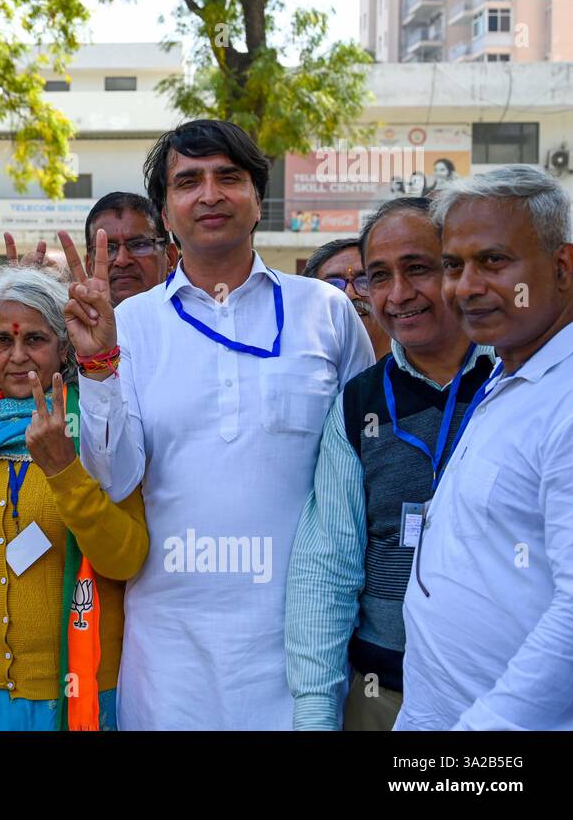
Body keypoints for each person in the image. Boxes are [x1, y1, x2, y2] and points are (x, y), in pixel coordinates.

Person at [65, 118, 373, 730]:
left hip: (302, 649)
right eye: (188, 182)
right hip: (170, 656)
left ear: (258, 198)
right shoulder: (132, 325)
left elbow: (363, 467)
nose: (209, 194)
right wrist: (97, 363)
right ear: (166, 213)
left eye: (228, 177)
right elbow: (116, 478)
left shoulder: (326, 312)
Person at [0, 266, 149, 731]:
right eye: (1, 341)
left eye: (34, 339)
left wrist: (63, 470)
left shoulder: (99, 430)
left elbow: (126, 558)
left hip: (75, 698)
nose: (17, 357)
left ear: (65, 344)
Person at [286, 198, 496, 731]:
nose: (398, 294)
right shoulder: (358, 404)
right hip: (385, 695)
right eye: (379, 277)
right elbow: (329, 563)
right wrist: (315, 711)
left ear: (456, 268)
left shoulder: (517, 379)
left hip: (506, 691)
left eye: (417, 268)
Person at [397, 166, 573, 730]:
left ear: (563, 267)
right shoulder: (509, 370)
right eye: (453, 265)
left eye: (493, 261)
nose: (465, 287)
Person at [83, 192, 179, 306]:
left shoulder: (198, 319)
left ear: (170, 257)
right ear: (89, 267)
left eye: (139, 245)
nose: (122, 261)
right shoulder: (70, 322)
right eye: (108, 249)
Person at [303, 238, 392, 360]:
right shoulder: (299, 372)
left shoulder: (420, 369)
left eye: (365, 281)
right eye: (333, 285)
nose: (349, 294)